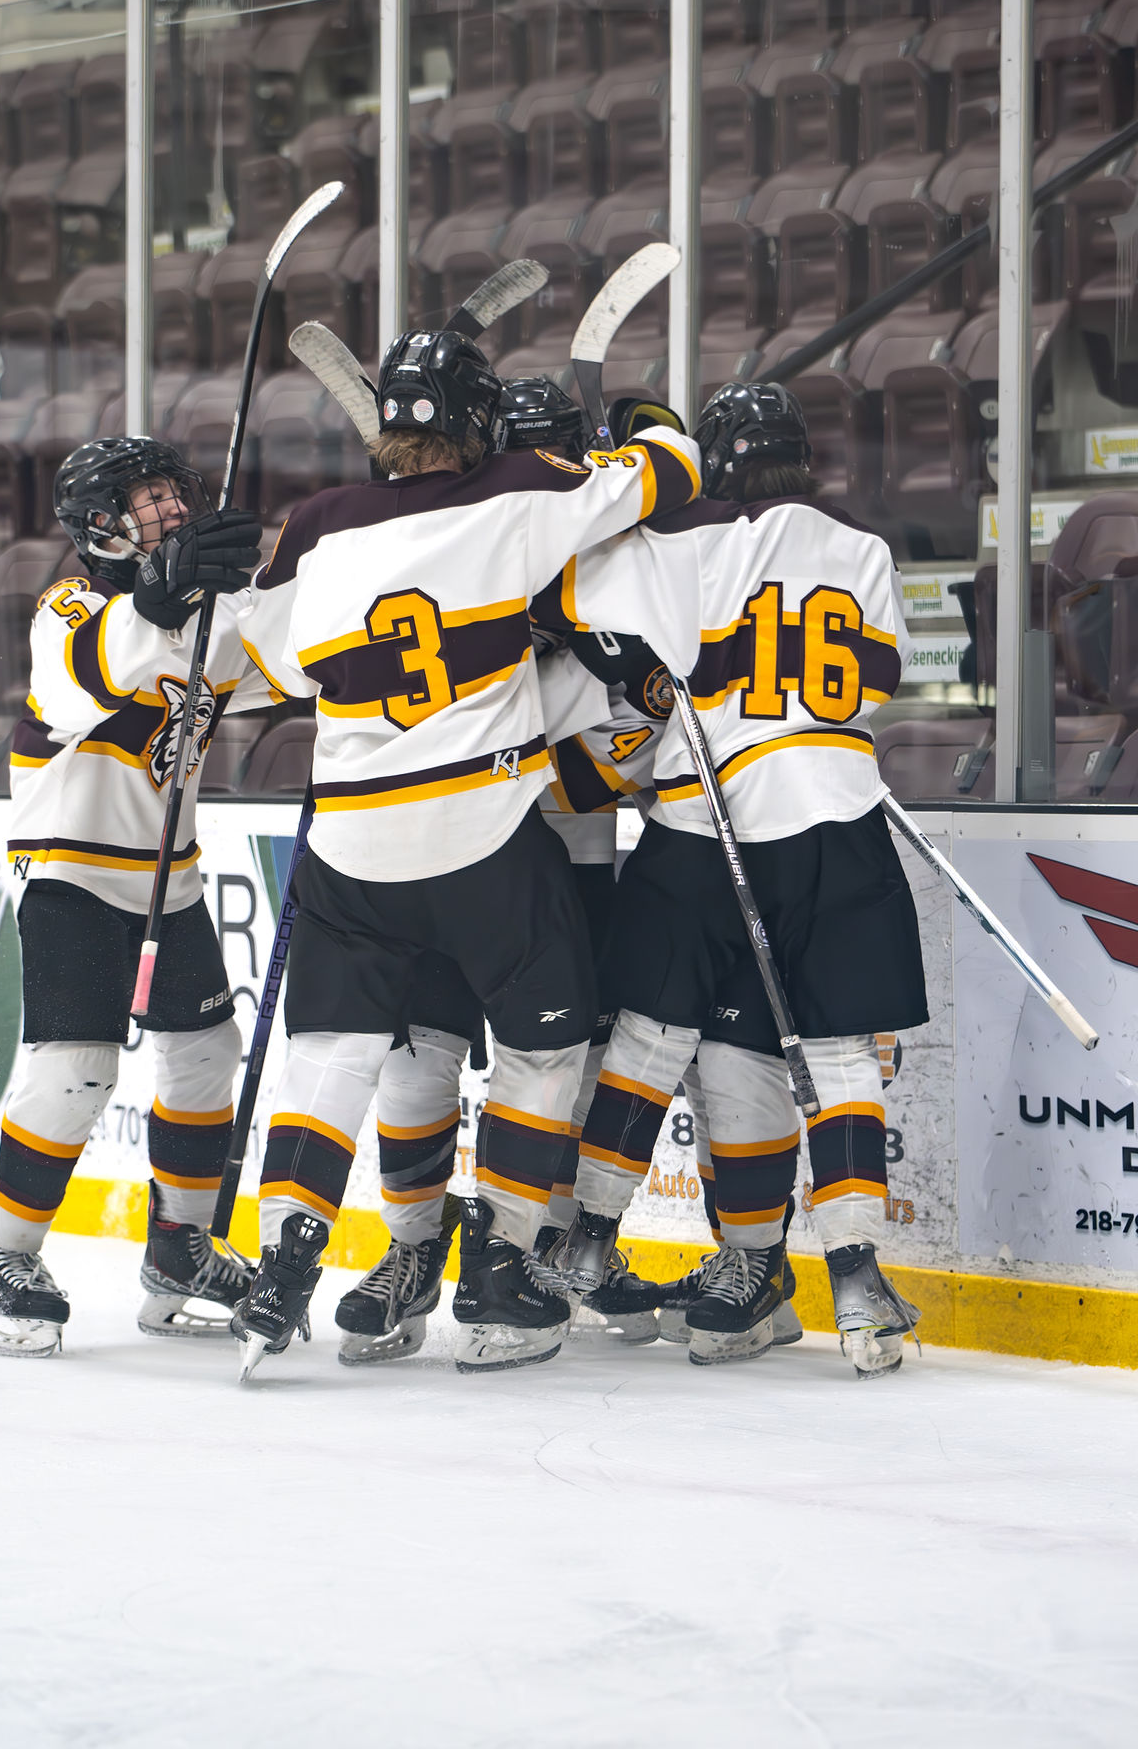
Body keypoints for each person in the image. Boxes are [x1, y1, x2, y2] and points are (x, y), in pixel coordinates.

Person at [229, 326, 702, 1376]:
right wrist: (644, 431)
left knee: (335, 1059)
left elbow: (257, 668)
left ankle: (280, 1272)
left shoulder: (315, 524)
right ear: (482, 425)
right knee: (542, 1054)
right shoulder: (522, 492)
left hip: (351, 845)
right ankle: (498, 1265)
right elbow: (668, 476)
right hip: (485, 840)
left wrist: (201, 588)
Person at [543, 382, 925, 1377]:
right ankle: (850, 1278)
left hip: (703, 830)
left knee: (653, 1040)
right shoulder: (865, 551)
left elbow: (562, 587)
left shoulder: (687, 547)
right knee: (833, 1053)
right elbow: (875, 680)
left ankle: (586, 1239)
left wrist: (611, 483)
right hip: (840, 821)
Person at [0, 436, 266, 1357]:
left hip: (170, 880)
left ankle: (180, 1251)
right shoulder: (71, 608)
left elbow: (287, 664)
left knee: (210, 1056)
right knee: (77, 1071)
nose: (171, 507)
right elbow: (81, 680)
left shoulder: (204, 618)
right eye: (148, 496)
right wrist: (163, 599)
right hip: (75, 873)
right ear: (101, 522)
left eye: (176, 492)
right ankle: (0, 1257)